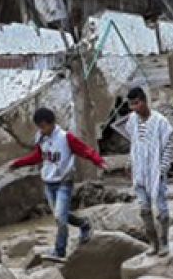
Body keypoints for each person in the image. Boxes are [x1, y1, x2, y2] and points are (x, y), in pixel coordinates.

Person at [9, 107, 105, 261]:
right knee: (61, 216)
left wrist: (98, 161)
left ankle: (60, 250)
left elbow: (84, 150)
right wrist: (19, 163)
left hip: (64, 182)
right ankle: (84, 224)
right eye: (39, 127)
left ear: (52, 123)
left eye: (43, 126)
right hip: (49, 182)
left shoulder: (65, 138)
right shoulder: (40, 137)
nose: (42, 130)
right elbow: (38, 156)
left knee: (60, 217)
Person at [124, 87, 173, 256]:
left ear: (144, 101)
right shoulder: (132, 121)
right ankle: (153, 243)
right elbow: (134, 143)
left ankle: (164, 242)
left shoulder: (161, 122)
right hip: (139, 170)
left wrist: (163, 168)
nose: (135, 108)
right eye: (132, 105)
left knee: (161, 208)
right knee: (144, 209)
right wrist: (130, 162)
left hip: (156, 170)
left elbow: (168, 146)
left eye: (137, 103)